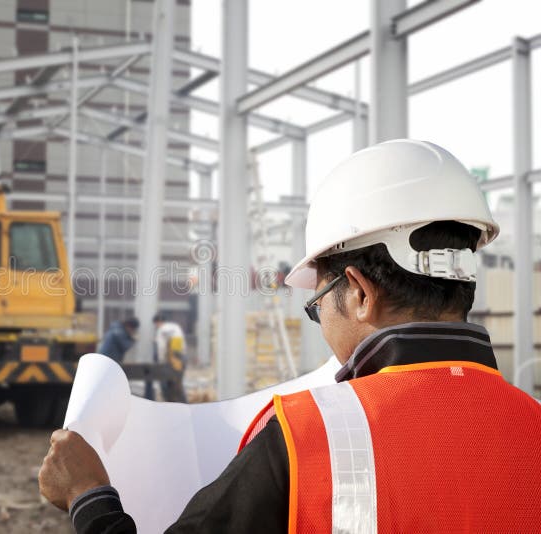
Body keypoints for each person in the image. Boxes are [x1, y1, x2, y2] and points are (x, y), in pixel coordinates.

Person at [38, 140, 541, 532]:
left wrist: (89, 494)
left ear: (360, 293)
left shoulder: (308, 436)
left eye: (317, 305)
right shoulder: (533, 423)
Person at [144, 313, 187, 401]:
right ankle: (183, 404)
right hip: (181, 358)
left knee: (164, 383)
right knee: (178, 384)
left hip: (171, 360)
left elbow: (161, 347)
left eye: (155, 324)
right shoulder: (175, 327)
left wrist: (161, 362)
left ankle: (169, 403)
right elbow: (181, 345)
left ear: (158, 322)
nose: (156, 326)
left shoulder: (161, 330)